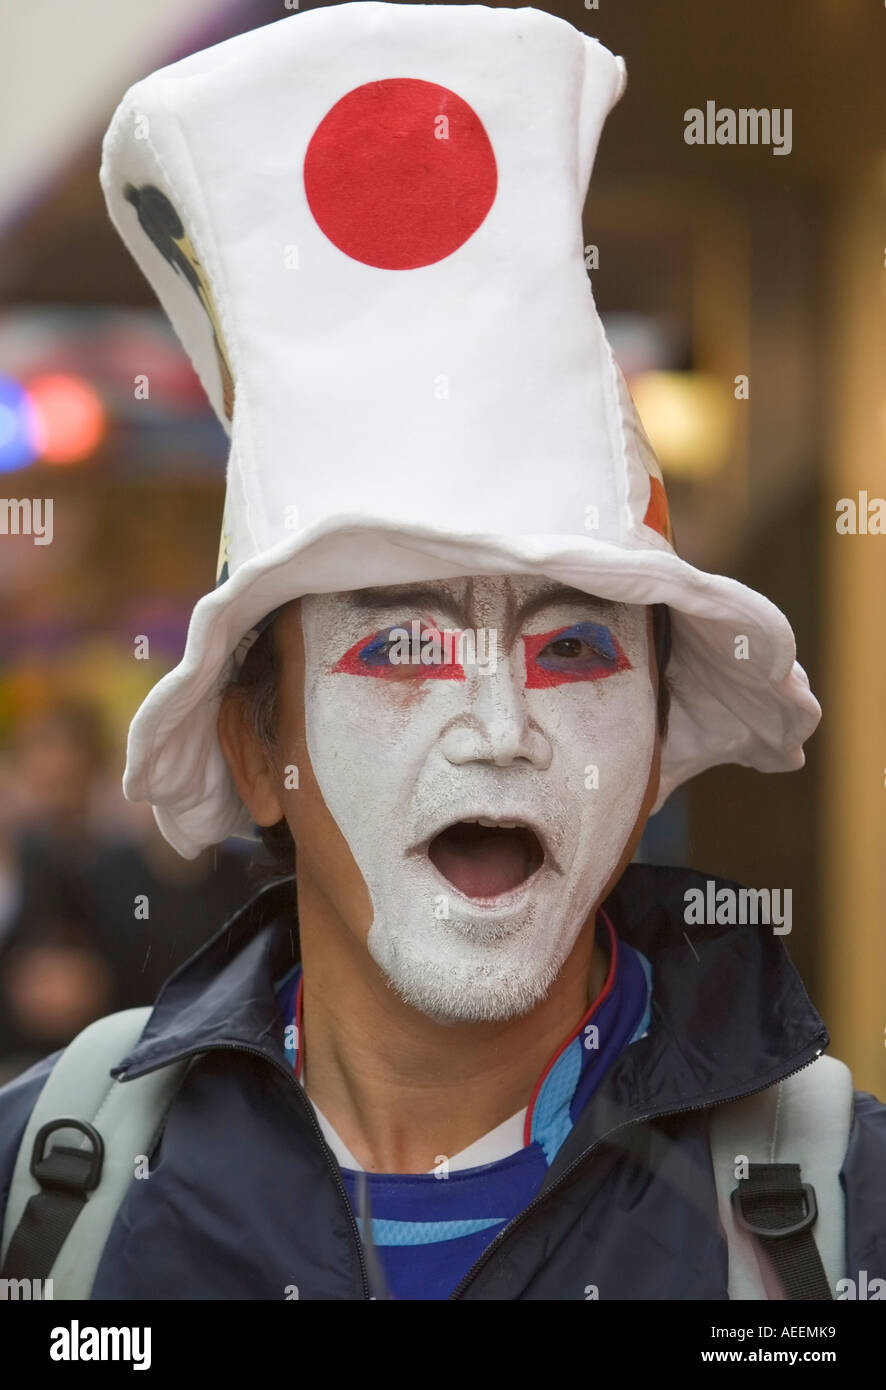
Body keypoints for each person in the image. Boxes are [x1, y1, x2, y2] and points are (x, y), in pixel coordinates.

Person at [0, 2, 884, 1301]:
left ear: (652, 749)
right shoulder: (46, 1197)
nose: (496, 724)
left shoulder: (842, 1221)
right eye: (401, 640)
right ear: (258, 746)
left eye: (575, 644)